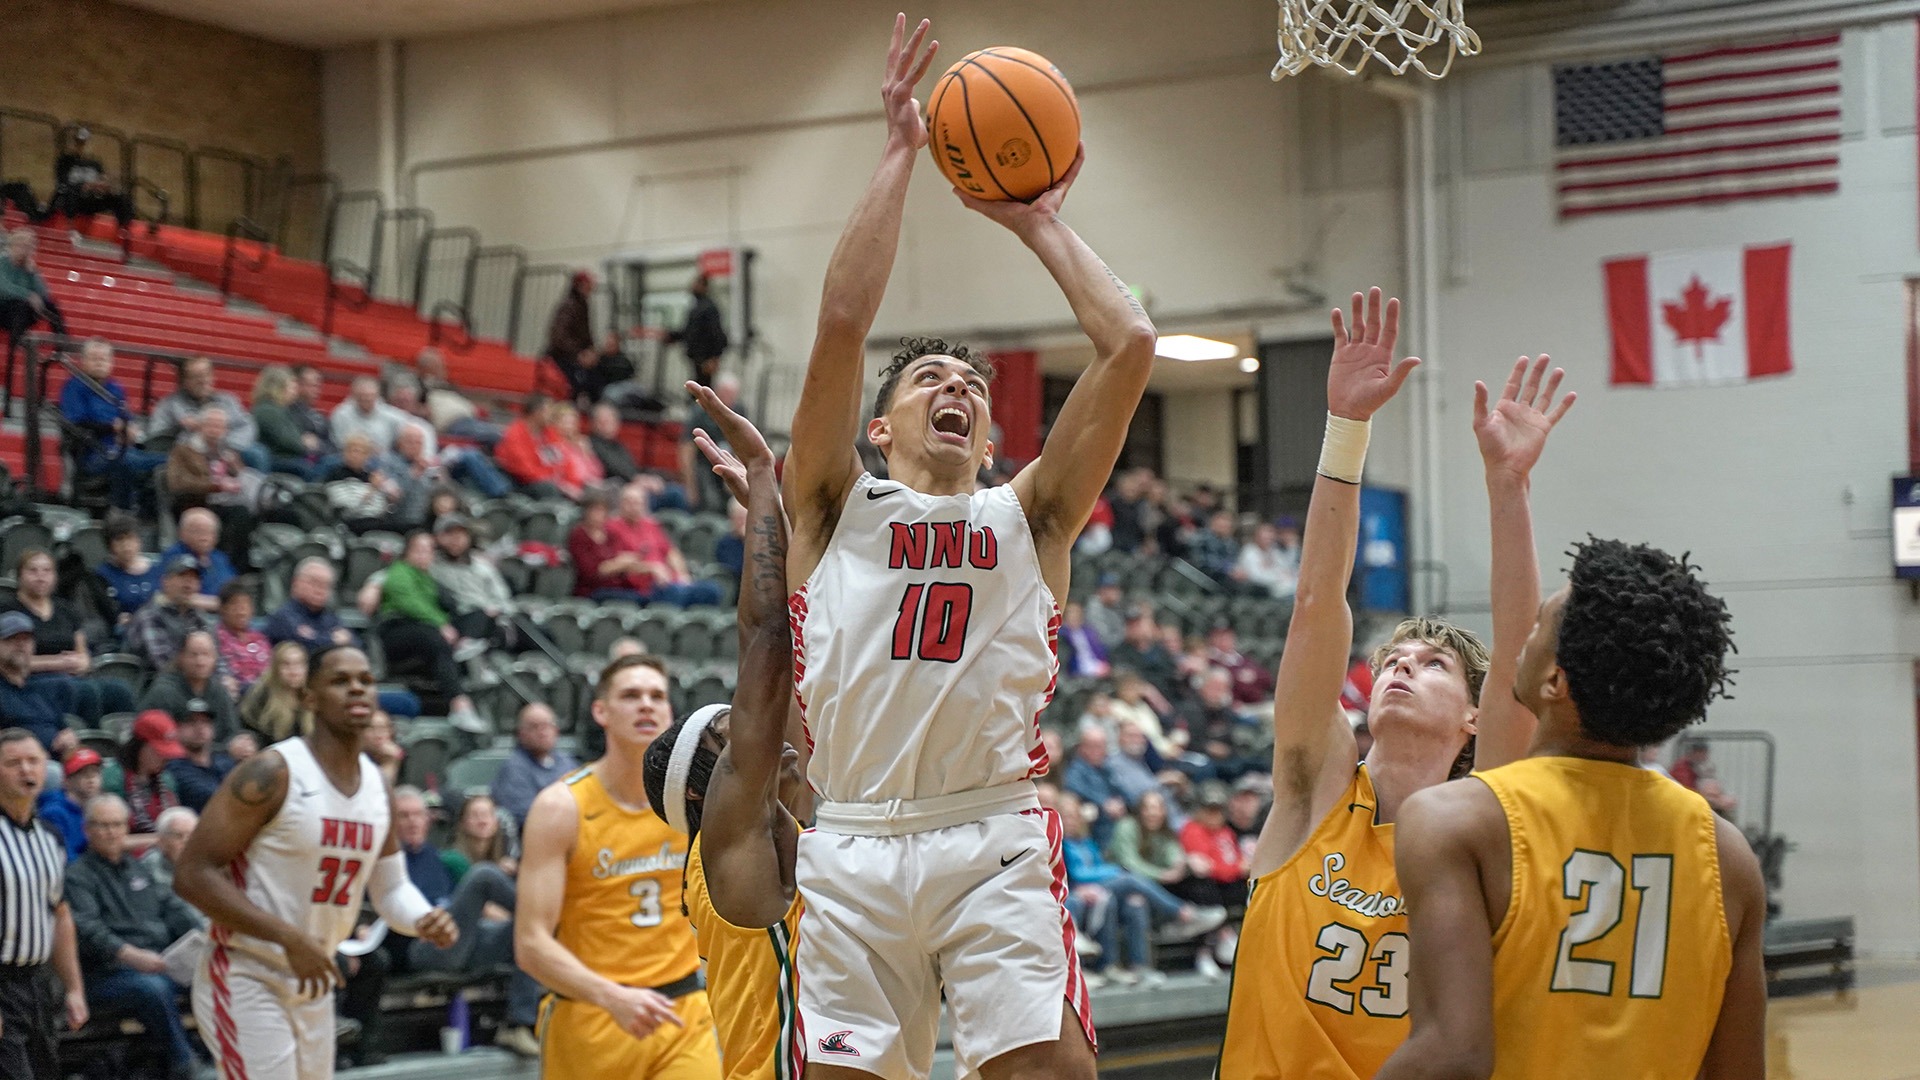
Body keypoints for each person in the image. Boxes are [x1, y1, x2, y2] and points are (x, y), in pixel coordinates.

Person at [778, 17, 1158, 1078]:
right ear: (879, 429)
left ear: (991, 438)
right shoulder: (830, 506)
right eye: (929, 381)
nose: (958, 388)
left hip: (988, 835)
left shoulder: (1028, 517)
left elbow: (1129, 344)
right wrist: (900, 153)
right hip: (848, 840)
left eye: (974, 387)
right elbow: (842, 326)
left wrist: (1035, 222)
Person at [1218, 343, 1573, 1079]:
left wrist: (1509, 485)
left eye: (1433, 664)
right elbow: (1317, 605)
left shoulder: (1485, 819)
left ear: (1475, 717)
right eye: (1392, 662)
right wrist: (1345, 429)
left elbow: (1517, 656)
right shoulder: (1313, 791)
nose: (1403, 666)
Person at [1376, 537, 1763, 1080]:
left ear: (1556, 680)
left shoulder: (1456, 819)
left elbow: (1453, 1055)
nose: (1525, 639)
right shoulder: (1729, 855)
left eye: (1537, 626)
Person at [174, 645, 457, 1080]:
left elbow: (392, 890)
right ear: (309, 697)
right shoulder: (272, 772)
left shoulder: (377, 789)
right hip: (248, 971)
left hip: (315, 978)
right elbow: (192, 874)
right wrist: (288, 936)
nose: (357, 688)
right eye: (340, 681)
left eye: (365, 680)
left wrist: (424, 919)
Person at [635, 383, 808, 1080]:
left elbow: (787, 650)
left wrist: (780, 521)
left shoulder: (769, 828)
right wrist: (766, 480)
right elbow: (762, 640)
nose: (764, 736)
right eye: (732, 743)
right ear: (711, 798)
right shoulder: (728, 855)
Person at [514, 653, 720, 1077]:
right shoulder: (560, 807)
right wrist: (612, 997)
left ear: (670, 713)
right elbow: (531, 944)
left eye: (656, 696)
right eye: (631, 695)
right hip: (592, 1015)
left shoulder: (695, 802)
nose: (646, 704)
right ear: (600, 711)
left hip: (684, 1013)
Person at [390, 787, 542, 1056]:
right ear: (390, 820)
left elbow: (457, 907)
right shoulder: (389, 862)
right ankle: (553, 915)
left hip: (462, 944)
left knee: (529, 931)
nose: (413, 821)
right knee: (483, 876)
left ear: (429, 820)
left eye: (418, 815)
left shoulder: (435, 859)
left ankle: (518, 1024)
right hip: (425, 949)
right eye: (404, 816)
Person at [66, 793, 204, 1080]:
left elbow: (172, 907)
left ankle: (215, 1053)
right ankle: (184, 1064)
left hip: (161, 962)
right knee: (152, 989)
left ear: (127, 828)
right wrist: (130, 954)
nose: (111, 832)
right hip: (108, 972)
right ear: (87, 829)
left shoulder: (140, 868)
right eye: (102, 825)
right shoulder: (77, 876)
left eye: (117, 824)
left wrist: (205, 938)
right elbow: (88, 930)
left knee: (213, 974)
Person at [0, 728, 89, 1079]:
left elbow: (60, 913)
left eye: (33, 761)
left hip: (38, 984)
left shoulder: (50, 836)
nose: (26, 770)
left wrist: (74, 988)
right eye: (13, 763)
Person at [6, 548, 135, 724]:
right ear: (19, 575)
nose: (40, 576)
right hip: (29, 681)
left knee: (120, 689)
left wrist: (83, 663)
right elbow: (8, 662)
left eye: (47, 571)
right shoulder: (8, 611)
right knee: (86, 692)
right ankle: (89, 744)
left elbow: (83, 654)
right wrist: (57, 663)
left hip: (72, 677)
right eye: (33, 570)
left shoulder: (65, 609)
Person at [375, 531, 483, 726]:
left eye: (429, 551)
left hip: (427, 629)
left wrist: (448, 625)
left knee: (478, 616)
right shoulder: (397, 572)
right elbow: (409, 604)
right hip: (398, 630)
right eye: (419, 550)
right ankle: (459, 703)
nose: (424, 555)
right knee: (434, 637)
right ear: (407, 552)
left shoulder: (428, 578)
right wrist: (441, 624)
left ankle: (465, 647)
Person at [59, 339, 168, 510]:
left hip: (123, 447)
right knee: (125, 461)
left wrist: (131, 430)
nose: (99, 363)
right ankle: (123, 511)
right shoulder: (74, 387)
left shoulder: (116, 388)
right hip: (92, 452)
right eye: (94, 358)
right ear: (83, 361)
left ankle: (151, 512)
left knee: (169, 460)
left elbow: (127, 418)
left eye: (104, 359)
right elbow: (76, 423)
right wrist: (112, 427)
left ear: (111, 362)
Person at [605, 482, 723, 607]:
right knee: (674, 593)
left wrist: (683, 575)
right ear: (620, 504)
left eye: (638, 502)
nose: (634, 506)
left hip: (669, 582)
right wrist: (651, 568)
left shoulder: (651, 525)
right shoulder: (612, 528)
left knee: (712, 590)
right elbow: (619, 563)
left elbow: (671, 552)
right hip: (642, 587)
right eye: (629, 502)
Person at [147, 356, 268, 469]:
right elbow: (156, 437)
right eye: (196, 376)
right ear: (184, 381)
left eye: (207, 374)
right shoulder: (169, 405)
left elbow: (247, 425)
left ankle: (262, 490)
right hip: (190, 454)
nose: (203, 380)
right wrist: (180, 429)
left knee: (257, 453)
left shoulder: (228, 400)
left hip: (228, 449)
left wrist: (230, 446)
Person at [429, 514, 515, 647]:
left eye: (461, 535)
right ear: (438, 538)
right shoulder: (432, 567)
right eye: (449, 534)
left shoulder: (483, 566)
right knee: (480, 616)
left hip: (492, 616)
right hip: (459, 619)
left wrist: (497, 610)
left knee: (534, 628)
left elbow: (502, 597)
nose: (456, 540)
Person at [0, 611, 77, 758]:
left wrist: (68, 739)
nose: (20, 645)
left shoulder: (42, 689)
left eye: (26, 639)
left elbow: (64, 730)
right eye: (12, 639)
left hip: (58, 761)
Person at [490, 703, 581, 827]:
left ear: (556, 731)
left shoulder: (567, 762)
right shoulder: (513, 769)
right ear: (521, 733)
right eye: (534, 727)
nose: (542, 732)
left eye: (547, 726)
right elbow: (525, 815)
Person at [139, 629, 240, 737]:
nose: (200, 662)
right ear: (181, 657)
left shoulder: (220, 692)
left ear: (215, 658)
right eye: (193, 655)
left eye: (206, 654)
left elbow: (232, 735)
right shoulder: (163, 692)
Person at [263, 557, 357, 655]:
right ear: (296, 583)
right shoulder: (283, 616)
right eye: (314, 583)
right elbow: (306, 647)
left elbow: (355, 644)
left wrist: (316, 637)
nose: (320, 590)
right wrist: (334, 640)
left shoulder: (330, 617)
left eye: (326, 585)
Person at [2, 228, 69, 365]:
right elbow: (4, 288)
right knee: (21, 305)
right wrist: (28, 295)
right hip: (3, 309)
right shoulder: (2, 262)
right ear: (12, 246)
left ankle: (62, 349)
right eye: (22, 246)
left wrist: (33, 273)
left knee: (52, 306)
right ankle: (16, 347)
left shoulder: (30, 268)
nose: (25, 250)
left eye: (29, 247)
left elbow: (44, 294)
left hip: (23, 311)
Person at [679, 374, 745, 510]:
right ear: (716, 393)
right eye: (726, 395)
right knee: (710, 502)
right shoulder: (699, 412)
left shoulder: (739, 411)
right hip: (703, 464)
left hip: (728, 462)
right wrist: (689, 484)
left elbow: (743, 444)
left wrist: (740, 472)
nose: (729, 400)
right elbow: (686, 448)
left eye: (732, 396)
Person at [50, 127, 133, 229]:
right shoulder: (65, 161)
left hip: (92, 199)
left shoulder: (95, 164)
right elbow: (62, 183)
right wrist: (84, 186)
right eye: (78, 143)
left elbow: (102, 179)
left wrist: (105, 185)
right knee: (70, 192)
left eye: (84, 143)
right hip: (74, 198)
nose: (81, 146)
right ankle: (70, 225)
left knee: (120, 197)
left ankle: (124, 229)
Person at [252, 364, 325, 479]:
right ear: (279, 388)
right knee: (312, 470)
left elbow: (294, 436)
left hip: (286, 457)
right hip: (276, 459)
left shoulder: (280, 409)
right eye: (291, 388)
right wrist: (304, 443)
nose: (294, 392)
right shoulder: (268, 410)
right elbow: (289, 442)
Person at [163, 704, 236, 813]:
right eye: (191, 722)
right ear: (177, 729)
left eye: (206, 722)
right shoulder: (173, 767)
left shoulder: (225, 762)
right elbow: (208, 795)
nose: (200, 727)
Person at [160, 507, 238, 608]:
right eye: (198, 531)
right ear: (182, 533)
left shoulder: (220, 558)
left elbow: (234, 591)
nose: (204, 537)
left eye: (209, 532)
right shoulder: (173, 556)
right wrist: (220, 604)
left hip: (222, 614)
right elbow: (172, 595)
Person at [121, 712, 185, 835]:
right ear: (140, 746)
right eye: (159, 751)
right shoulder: (115, 778)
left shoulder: (167, 780)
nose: (166, 757)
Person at [38, 747, 106, 860]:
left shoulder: (100, 808)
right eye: (82, 773)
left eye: (95, 772)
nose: (91, 778)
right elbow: (65, 859)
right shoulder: (54, 813)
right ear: (66, 781)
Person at [494, 395, 569, 497]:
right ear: (536, 412)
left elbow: (561, 460)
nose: (552, 416)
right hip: (522, 485)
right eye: (549, 411)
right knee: (548, 488)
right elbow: (524, 470)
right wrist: (552, 481)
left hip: (550, 481)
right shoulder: (515, 434)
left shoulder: (549, 433)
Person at [98, 513, 162, 624]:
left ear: (139, 540)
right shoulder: (102, 575)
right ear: (109, 545)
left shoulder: (157, 570)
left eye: (130, 538)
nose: (126, 545)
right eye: (119, 539)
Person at [329, 376, 416, 455]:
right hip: (348, 459)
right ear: (354, 396)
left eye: (371, 396)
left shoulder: (391, 415)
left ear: (377, 396)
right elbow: (340, 444)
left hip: (384, 461)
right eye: (362, 396)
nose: (367, 399)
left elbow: (414, 427)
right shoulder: (341, 415)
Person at [668, 274, 729, 386]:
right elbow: (689, 331)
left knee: (704, 388)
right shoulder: (695, 307)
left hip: (704, 357)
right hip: (695, 357)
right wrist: (671, 336)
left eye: (697, 284)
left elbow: (716, 333)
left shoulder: (709, 308)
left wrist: (714, 357)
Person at [216, 580, 272, 694]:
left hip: (265, 695)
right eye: (234, 604)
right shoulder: (214, 638)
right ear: (223, 609)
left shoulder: (260, 639)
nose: (241, 611)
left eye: (245, 604)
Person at [139, 805, 198, 894]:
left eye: (191, 836)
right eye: (178, 836)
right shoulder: (148, 870)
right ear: (162, 842)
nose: (186, 842)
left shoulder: (207, 866)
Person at [588, 401, 642, 483]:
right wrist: (637, 479)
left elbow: (632, 468)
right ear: (594, 423)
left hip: (628, 483)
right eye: (603, 421)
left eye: (611, 421)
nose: (608, 425)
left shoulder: (618, 445)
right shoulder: (591, 444)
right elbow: (614, 468)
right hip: (609, 486)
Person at [288, 365, 335, 454]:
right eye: (312, 386)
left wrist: (320, 445)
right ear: (298, 385)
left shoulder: (320, 417)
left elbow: (333, 447)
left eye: (318, 386)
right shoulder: (287, 411)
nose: (317, 391)